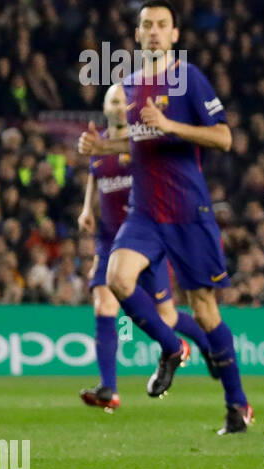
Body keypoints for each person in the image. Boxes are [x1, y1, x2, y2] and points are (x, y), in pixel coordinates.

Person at [77, 0, 252, 434]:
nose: (153, 31)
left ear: (174, 35)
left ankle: (237, 404)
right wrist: (105, 148)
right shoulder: (131, 85)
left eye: (162, 25)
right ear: (137, 35)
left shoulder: (189, 79)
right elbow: (140, 141)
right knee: (117, 279)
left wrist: (172, 125)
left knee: (205, 309)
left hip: (188, 213)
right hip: (145, 213)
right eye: (146, 25)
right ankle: (172, 348)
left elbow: (224, 138)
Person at [77, 83, 213, 411]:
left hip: (145, 237)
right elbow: (95, 177)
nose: (119, 105)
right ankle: (109, 389)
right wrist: (86, 208)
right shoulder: (98, 146)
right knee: (103, 304)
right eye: (113, 100)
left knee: (166, 315)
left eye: (124, 100)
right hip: (109, 239)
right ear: (106, 107)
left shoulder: (141, 145)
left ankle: (207, 348)